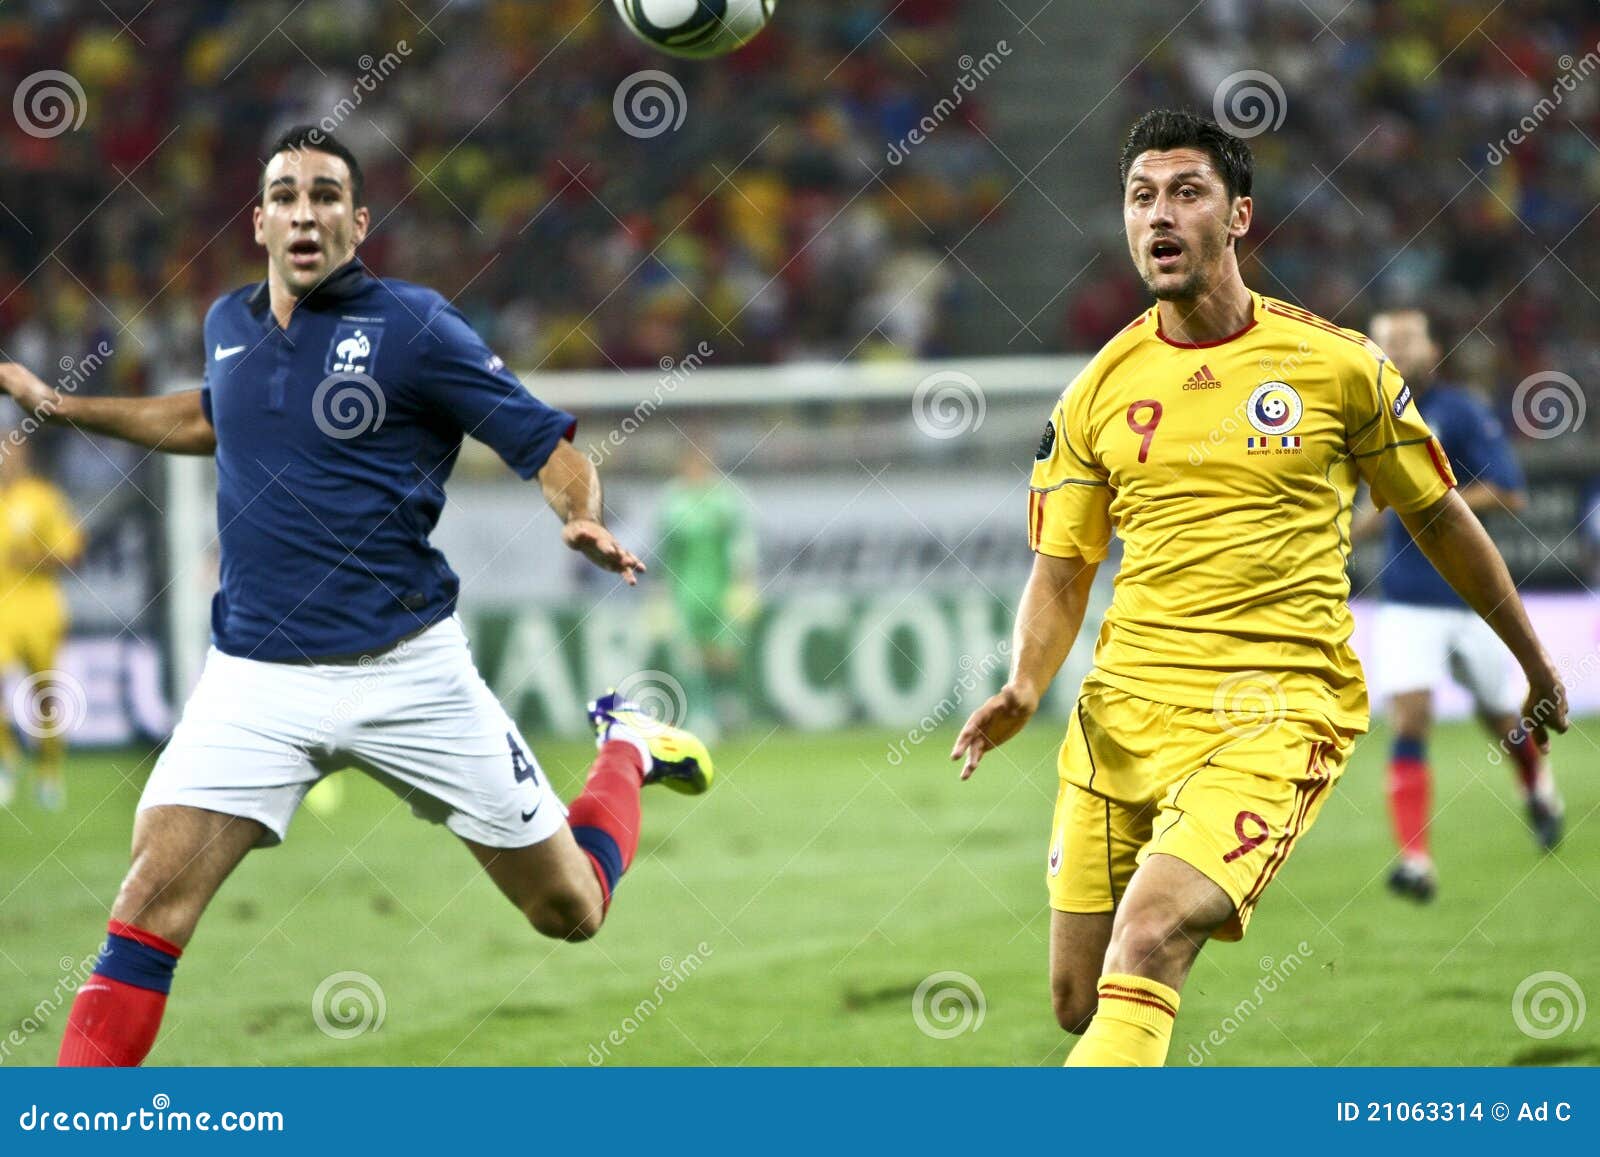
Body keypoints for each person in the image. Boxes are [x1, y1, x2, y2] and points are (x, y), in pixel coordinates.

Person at [0, 126, 713, 1068]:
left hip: (408, 670)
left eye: (326, 195)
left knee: (570, 908)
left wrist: (579, 514)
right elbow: (211, 414)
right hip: (253, 679)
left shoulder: (415, 328)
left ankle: (626, 749)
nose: (306, 212)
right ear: (259, 222)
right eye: (286, 195)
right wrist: (65, 407)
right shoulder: (227, 324)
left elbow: (546, 444)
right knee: (147, 906)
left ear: (358, 221)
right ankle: (70, 1126)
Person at [950, 109, 1568, 1067]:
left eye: (1186, 192)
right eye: (1141, 196)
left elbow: (1441, 516)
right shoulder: (1096, 392)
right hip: (1124, 714)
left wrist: (1531, 658)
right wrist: (1026, 685)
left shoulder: (1339, 368)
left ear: (1239, 215)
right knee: (1079, 998)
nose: (1159, 214)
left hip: (1271, 713)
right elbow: (1064, 566)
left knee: (1148, 936)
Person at [1351, 310, 1562, 902]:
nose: (1396, 350)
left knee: (1502, 720)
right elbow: (1376, 501)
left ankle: (1538, 789)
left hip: (1470, 600)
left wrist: (1431, 500)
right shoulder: (1368, 414)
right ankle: (1416, 862)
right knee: (1409, 719)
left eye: (1407, 339)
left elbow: (1510, 491)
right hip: (1406, 602)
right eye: (1385, 342)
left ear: (1432, 348)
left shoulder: (1461, 411)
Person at [0, 436, 84, 811]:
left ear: (23, 456)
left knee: (44, 696)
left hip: (40, 609)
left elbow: (71, 552)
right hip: (3, 609)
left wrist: (31, 557)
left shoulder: (42, 498)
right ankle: (6, 760)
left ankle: (49, 769)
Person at [656, 451, 756, 736]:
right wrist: (661, 590)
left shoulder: (725, 499)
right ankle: (702, 714)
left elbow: (741, 542)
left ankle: (728, 704)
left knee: (725, 653)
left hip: (721, 590)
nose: (696, 469)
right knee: (689, 655)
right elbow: (665, 550)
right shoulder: (672, 501)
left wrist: (743, 581)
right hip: (685, 591)